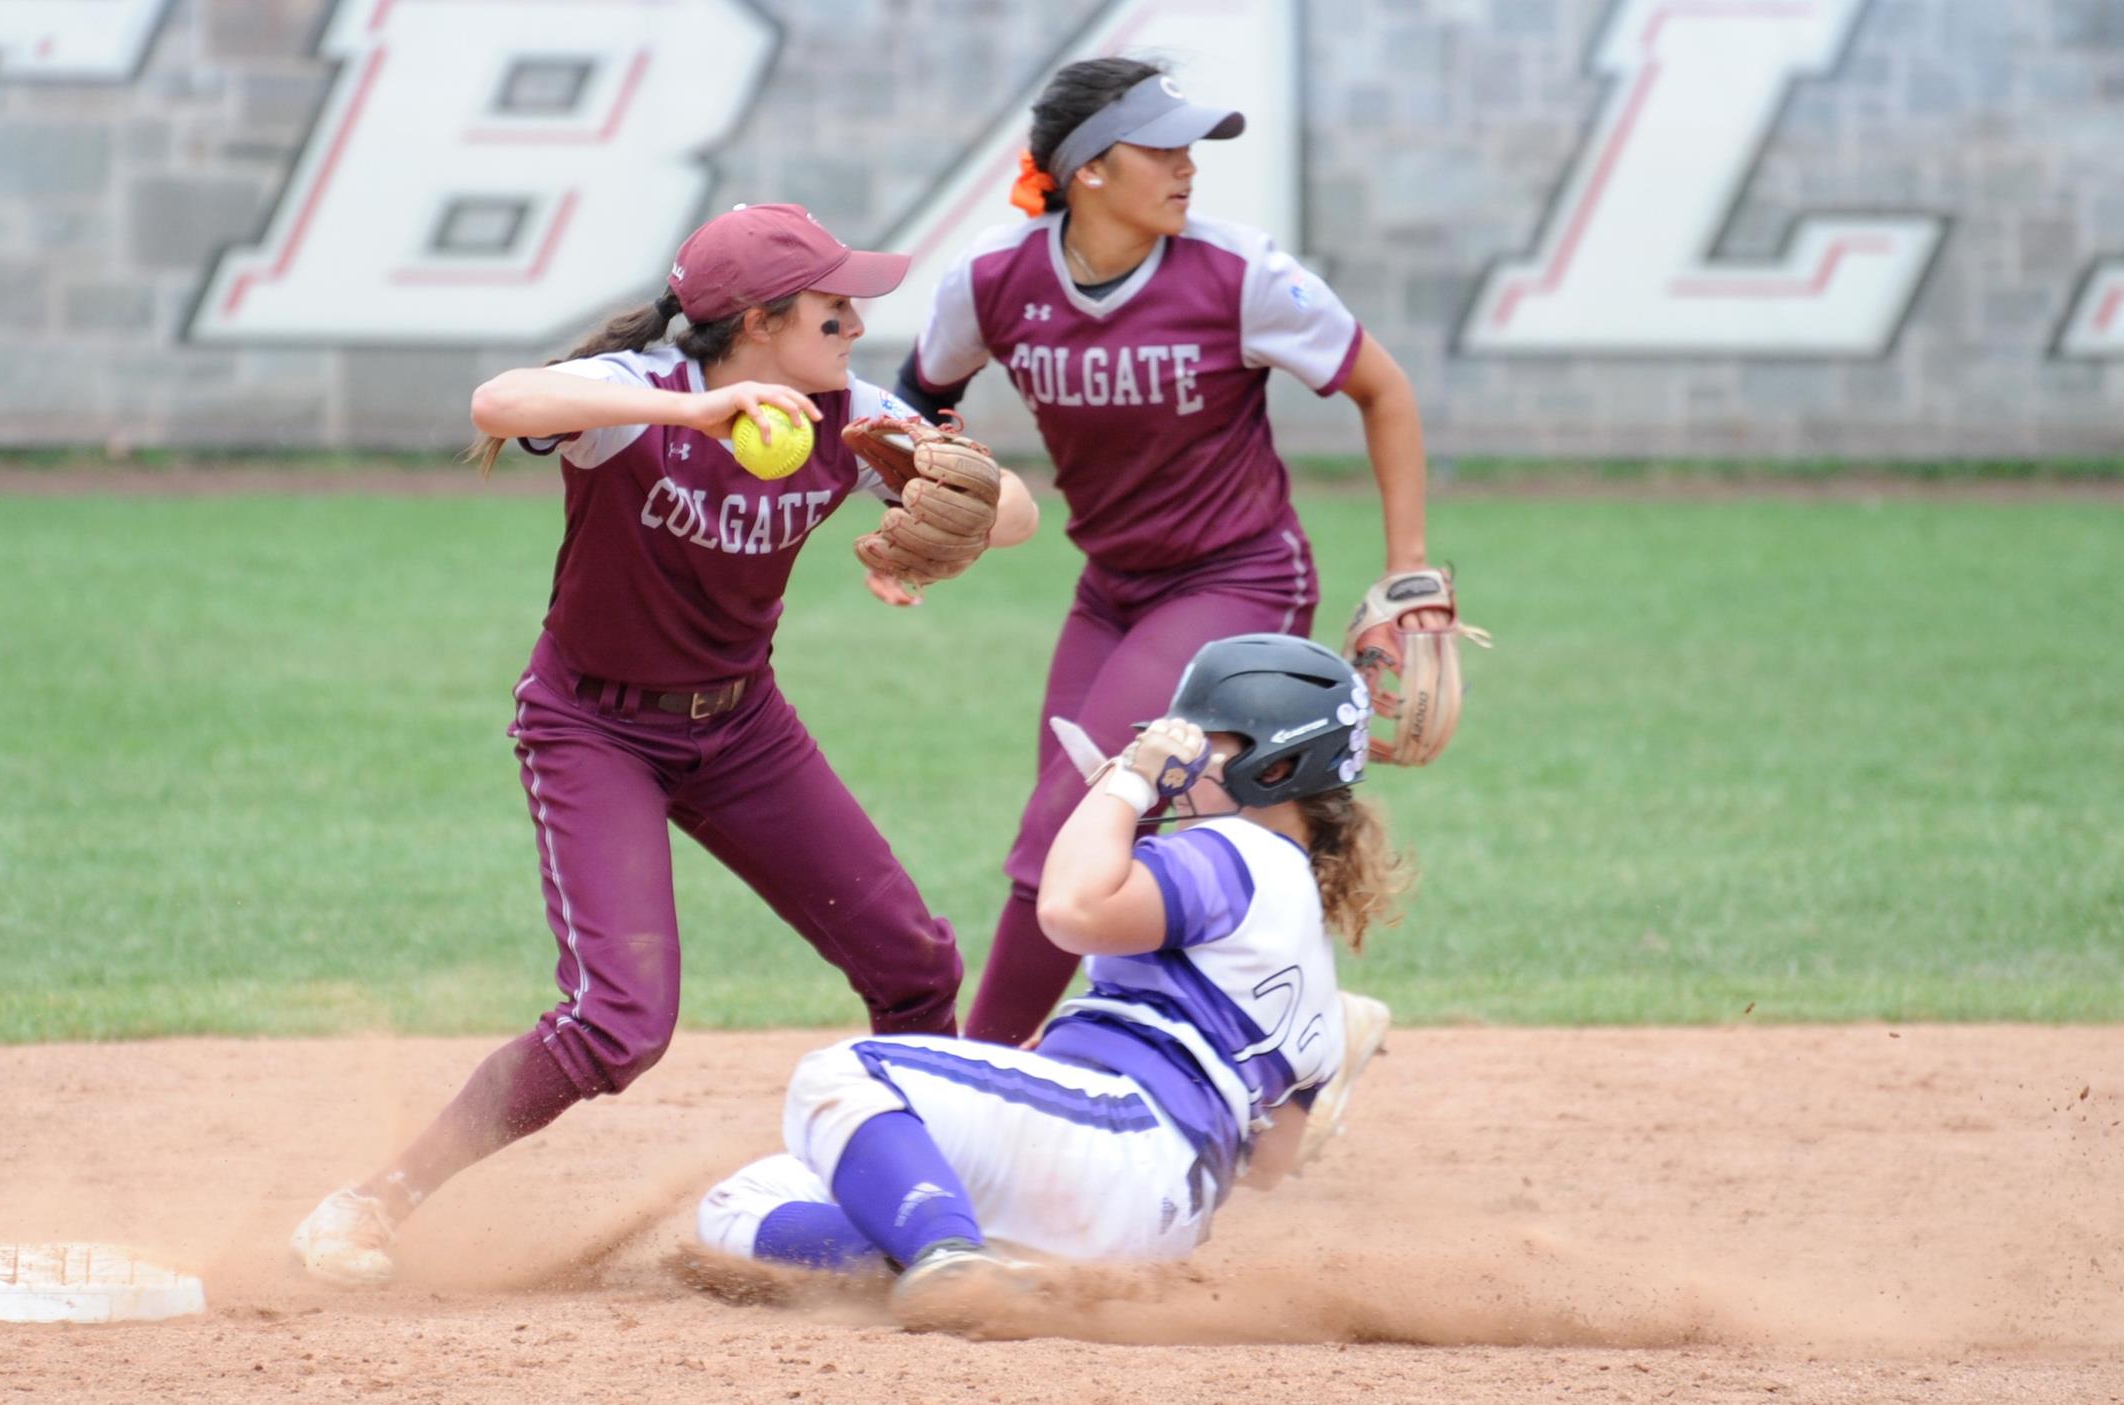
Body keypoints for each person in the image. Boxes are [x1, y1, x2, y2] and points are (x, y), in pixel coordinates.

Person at [288, 203, 1041, 1286]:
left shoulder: (850, 414)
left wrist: (945, 495)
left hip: (740, 727)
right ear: (757, 323)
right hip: (593, 725)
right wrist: (701, 415)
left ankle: (929, 1210)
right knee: (619, 1024)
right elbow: (497, 403)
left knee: (915, 966)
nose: (855, 323)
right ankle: (371, 1204)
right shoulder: (638, 400)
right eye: (831, 309)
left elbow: (1014, 512)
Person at [885, 56, 1452, 1045]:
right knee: (1090, 828)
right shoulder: (994, 278)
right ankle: (1302, 1025)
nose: (1187, 166)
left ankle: (972, 1067)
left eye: (1189, 147)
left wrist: (1406, 571)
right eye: (1161, 148)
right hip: (1110, 592)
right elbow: (918, 400)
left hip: (1240, 577)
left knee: (1080, 809)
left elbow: (1384, 389)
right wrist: (914, 520)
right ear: (1088, 170)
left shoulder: (1238, 273)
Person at [685, 634, 1406, 1335]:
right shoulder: (1303, 935)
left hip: (1116, 1145)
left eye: (1202, 740)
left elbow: (1070, 909)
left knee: (845, 1073)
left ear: (1275, 769)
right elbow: (1270, 1165)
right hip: (1142, 1214)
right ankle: (983, 1271)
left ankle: (947, 1258)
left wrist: (1129, 782)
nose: (1176, 757)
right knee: (744, 1204)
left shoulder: (1238, 847)